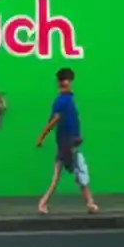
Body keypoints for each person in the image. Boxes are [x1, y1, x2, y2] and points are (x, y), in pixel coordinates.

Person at [36, 67, 98, 215]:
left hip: (71, 143)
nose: (66, 83)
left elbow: (69, 121)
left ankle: (89, 202)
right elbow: (54, 121)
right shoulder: (62, 101)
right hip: (67, 145)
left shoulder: (67, 100)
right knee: (72, 174)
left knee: (76, 172)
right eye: (65, 80)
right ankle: (44, 202)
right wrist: (41, 137)